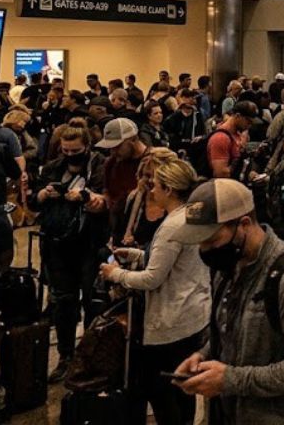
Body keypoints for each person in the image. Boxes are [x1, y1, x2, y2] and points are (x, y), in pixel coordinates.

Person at [171, 179, 284, 424]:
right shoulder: (227, 269)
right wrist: (204, 355)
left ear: (244, 224)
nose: (205, 250)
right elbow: (232, 331)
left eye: (212, 240)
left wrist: (229, 380)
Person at [100, 156, 210, 425]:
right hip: (193, 311)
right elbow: (174, 261)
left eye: (156, 186)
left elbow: (153, 278)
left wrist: (117, 274)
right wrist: (139, 254)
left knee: (160, 390)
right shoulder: (194, 214)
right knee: (183, 386)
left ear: (169, 189)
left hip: (171, 319)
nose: (151, 190)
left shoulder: (171, 226)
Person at [32, 121, 107, 381]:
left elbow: (107, 202)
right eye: (66, 150)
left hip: (89, 243)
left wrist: (85, 196)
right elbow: (33, 202)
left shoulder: (99, 166)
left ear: (86, 146)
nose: (70, 155)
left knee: (91, 301)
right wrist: (43, 194)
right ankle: (65, 355)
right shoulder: (53, 168)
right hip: (58, 244)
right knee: (63, 302)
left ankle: (87, 356)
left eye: (75, 151)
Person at [96, 117, 151, 245]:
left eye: (117, 146)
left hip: (142, 237)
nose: (113, 152)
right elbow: (107, 195)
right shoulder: (111, 163)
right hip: (117, 235)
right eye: (110, 148)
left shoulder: (152, 164)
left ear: (133, 139)